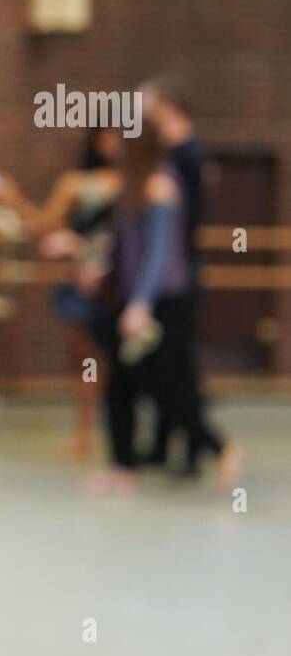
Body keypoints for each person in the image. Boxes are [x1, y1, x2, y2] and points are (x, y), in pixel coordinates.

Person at [89, 123, 239, 494]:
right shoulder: (131, 185)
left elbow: (158, 253)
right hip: (132, 298)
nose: (109, 146)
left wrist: (141, 303)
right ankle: (123, 467)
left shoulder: (160, 184)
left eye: (118, 139)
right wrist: (96, 266)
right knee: (119, 386)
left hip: (159, 302)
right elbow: (124, 245)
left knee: (168, 385)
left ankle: (219, 448)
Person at [0, 129, 122, 458]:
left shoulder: (138, 181)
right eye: (109, 136)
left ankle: (123, 435)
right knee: (88, 360)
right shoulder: (75, 183)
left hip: (122, 281)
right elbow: (44, 224)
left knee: (125, 363)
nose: (116, 143)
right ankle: (86, 433)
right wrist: (13, 200)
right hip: (83, 283)